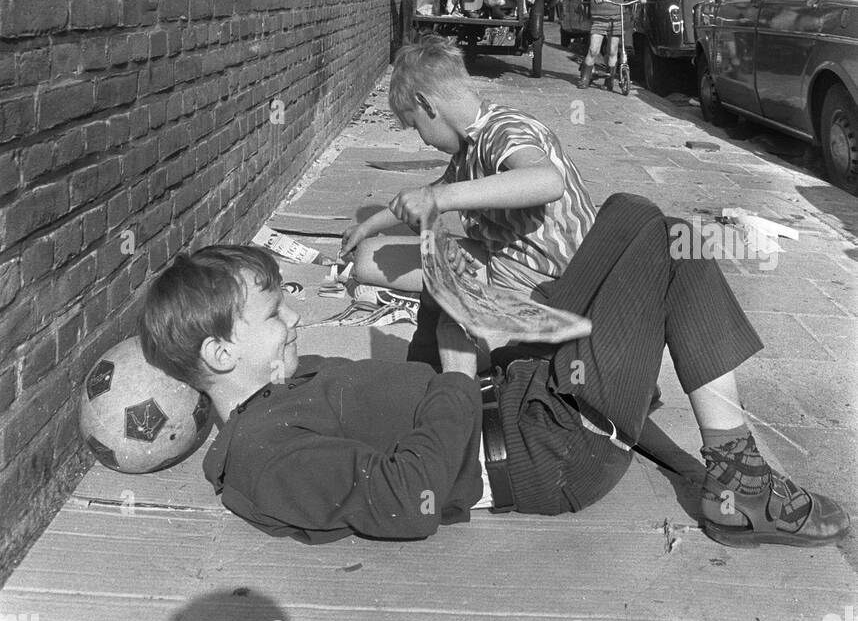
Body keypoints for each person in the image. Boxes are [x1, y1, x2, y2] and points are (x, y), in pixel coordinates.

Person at [137, 228, 849, 548]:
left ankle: (709, 456)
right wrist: (457, 370)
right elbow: (400, 504)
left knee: (635, 217)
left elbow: (393, 398)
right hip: (550, 449)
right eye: (274, 314)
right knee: (667, 245)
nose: (295, 317)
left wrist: (449, 312)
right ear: (221, 352)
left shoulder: (284, 390)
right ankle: (738, 479)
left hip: (525, 396)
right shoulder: (263, 456)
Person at [344, 35, 597, 316]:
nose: (425, 141)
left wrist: (439, 198)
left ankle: (450, 305)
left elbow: (547, 181)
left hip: (548, 281)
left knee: (392, 272)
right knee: (367, 257)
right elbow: (433, 189)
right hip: (506, 260)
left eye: (415, 126)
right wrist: (368, 226)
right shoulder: (468, 148)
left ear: (426, 104)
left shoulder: (503, 129)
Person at [576, 0, 646, 91]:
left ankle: (610, 79)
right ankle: (585, 78)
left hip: (616, 18)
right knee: (593, 50)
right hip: (599, 20)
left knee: (613, 50)